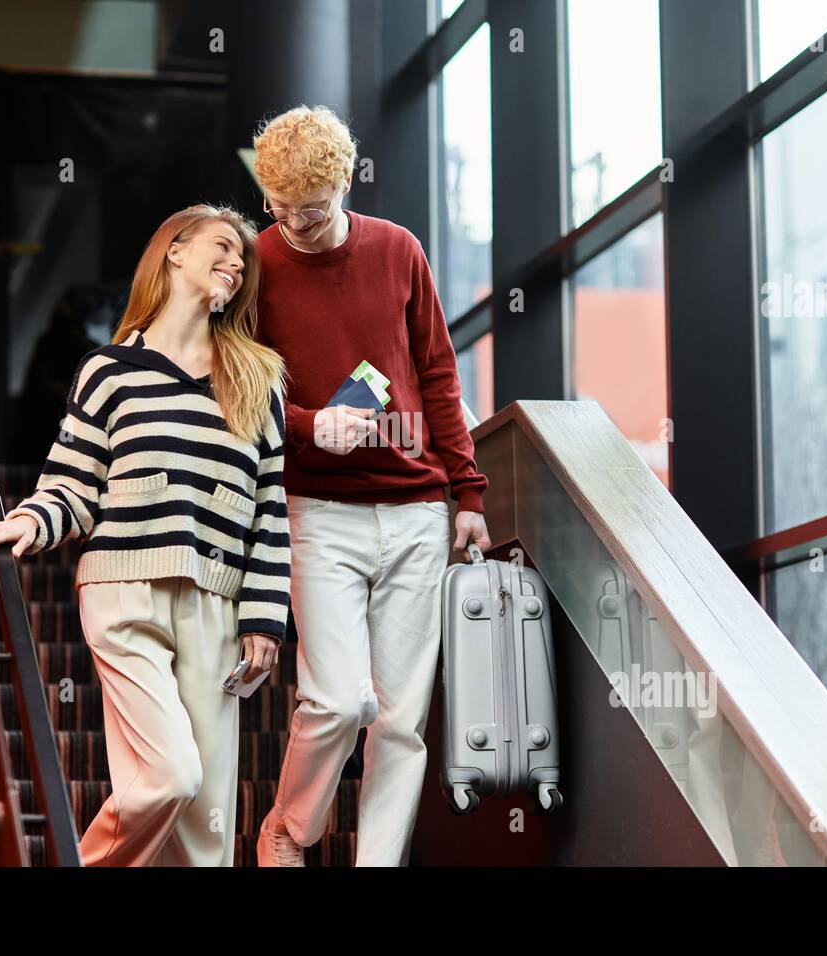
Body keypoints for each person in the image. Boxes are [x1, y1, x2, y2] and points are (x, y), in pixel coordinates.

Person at [0, 204, 290, 867]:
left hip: (216, 607)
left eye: (244, 260)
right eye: (223, 247)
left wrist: (265, 619)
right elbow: (74, 483)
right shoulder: (108, 372)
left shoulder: (258, 381)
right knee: (170, 777)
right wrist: (31, 520)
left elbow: (270, 512)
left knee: (206, 834)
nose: (237, 263)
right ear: (173, 252)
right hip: (124, 596)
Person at [250, 105, 492, 867]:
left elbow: (440, 374)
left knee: (399, 722)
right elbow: (237, 392)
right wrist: (305, 425)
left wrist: (470, 493)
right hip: (316, 511)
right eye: (280, 208)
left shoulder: (398, 251)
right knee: (335, 701)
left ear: (344, 187)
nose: (295, 224)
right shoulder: (255, 265)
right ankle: (291, 828)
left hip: (418, 509)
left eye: (311, 210)